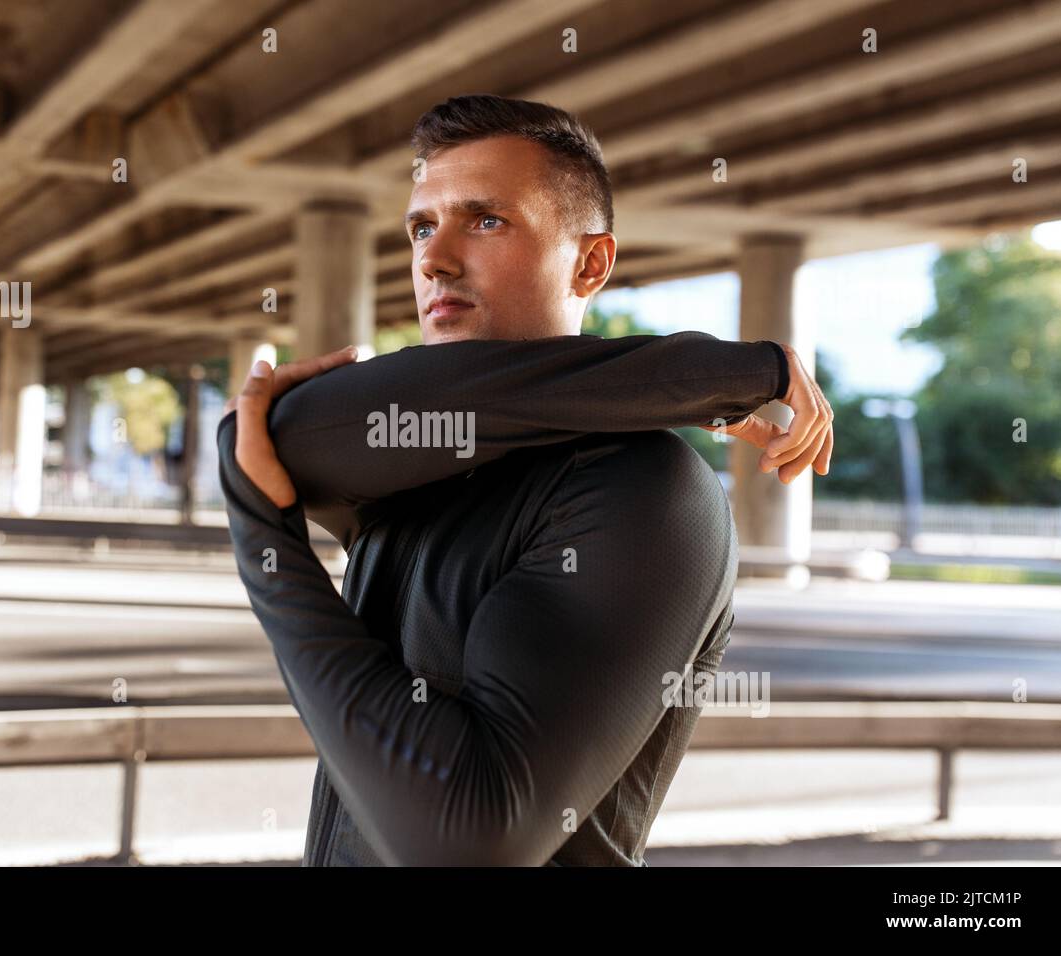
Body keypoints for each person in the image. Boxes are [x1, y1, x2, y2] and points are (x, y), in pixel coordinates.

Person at [217, 94, 833, 866]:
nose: (434, 258)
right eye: (420, 226)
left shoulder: (646, 492)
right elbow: (268, 431)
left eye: (485, 221)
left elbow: (470, 836)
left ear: (591, 262)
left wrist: (268, 553)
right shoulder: (411, 467)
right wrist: (735, 374)